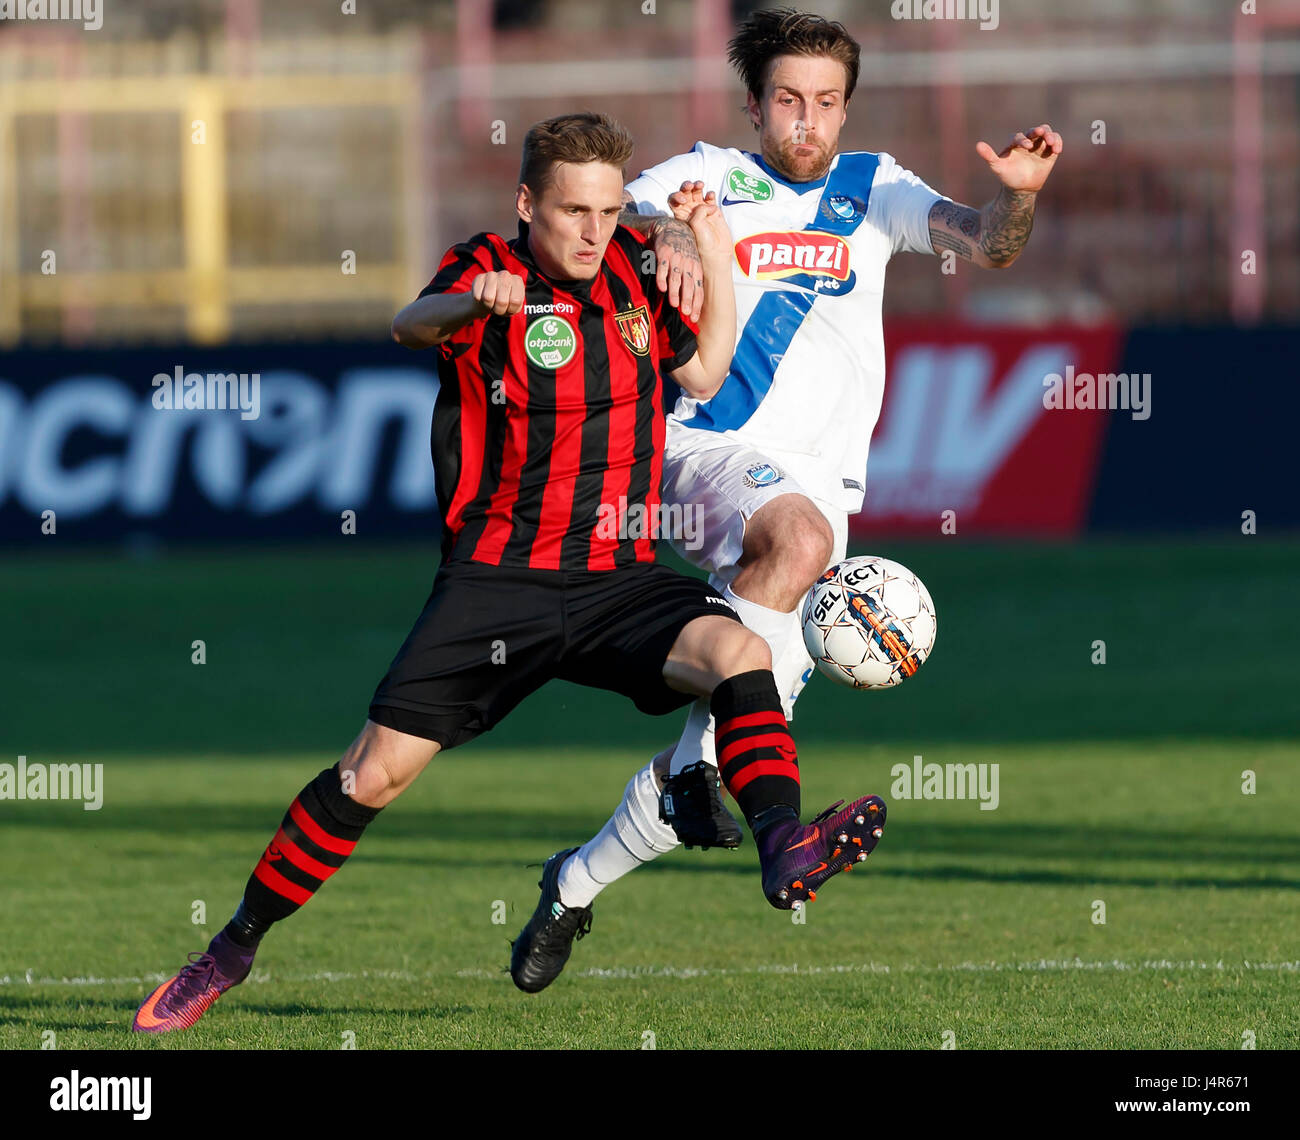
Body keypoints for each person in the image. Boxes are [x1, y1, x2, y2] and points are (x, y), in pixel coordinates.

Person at [131, 110, 884, 1030]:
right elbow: (410, 324)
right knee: (371, 776)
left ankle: (782, 847)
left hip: (617, 574)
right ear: (529, 204)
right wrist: (470, 302)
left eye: (609, 210)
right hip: (497, 584)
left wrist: (714, 248)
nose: (594, 229)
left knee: (740, 652)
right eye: (572, 210)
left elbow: (708, 372)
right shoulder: (486, 263)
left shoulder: (636, 279)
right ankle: (231, 950)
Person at [527, 8, 1061, 987]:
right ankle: (699, 782)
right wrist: (666, 239)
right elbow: (617, 210)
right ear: (753, 105)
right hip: (702, 453)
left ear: (846, 109)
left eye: (825, 103)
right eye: (786, 101)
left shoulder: (875, 189)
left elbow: (986, 245)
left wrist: (1014, 200)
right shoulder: (709, 178)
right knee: (799, 540)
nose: (806, 122)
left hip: (813, 502)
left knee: (742, 730)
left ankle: (571, 888)